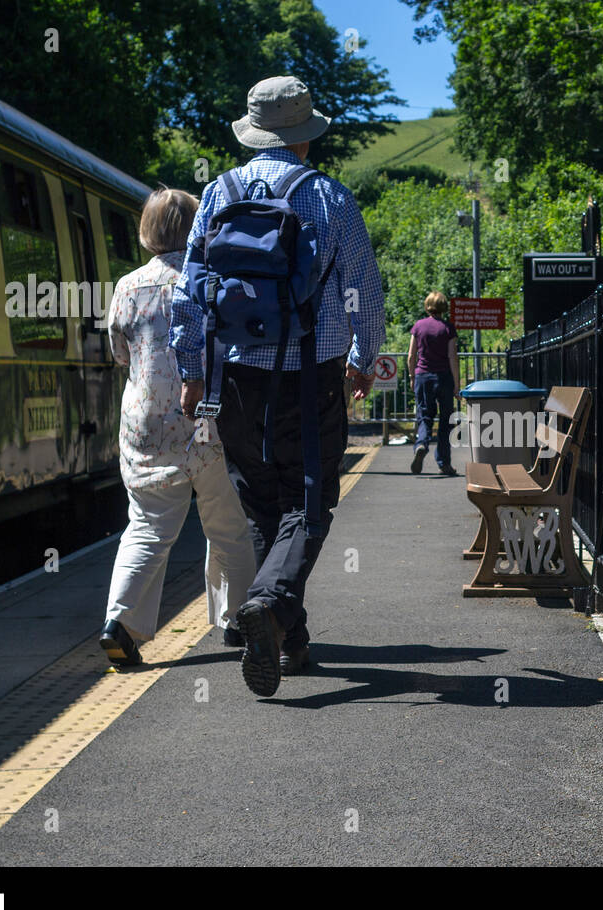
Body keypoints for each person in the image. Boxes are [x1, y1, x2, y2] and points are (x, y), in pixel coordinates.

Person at [171, 76, 385, 697]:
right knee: (309, 502)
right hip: (307, 377)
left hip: (236, 379)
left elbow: (189, 296)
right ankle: (269, 606)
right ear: (305, 140)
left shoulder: (217, 193)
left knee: (262, 501)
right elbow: (362, 291)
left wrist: (192, 372)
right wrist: (362, 358)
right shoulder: (331, 199)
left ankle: (291, 638)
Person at [100, 188, 259, 666]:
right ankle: (240, 621)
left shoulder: (127, 286)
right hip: (207, 420)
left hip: (145, 422)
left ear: (146, 230)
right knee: (229, 526)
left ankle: (119, 625)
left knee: (146, 526)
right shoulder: (210, 281)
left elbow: (120, 353)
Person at [407, 291, 461, 477]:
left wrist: (412, 377)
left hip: (423, 376)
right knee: (446, 421)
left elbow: (411, 356)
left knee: (424, 415)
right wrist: (456, 384)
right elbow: (452, 357)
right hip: (443, 377)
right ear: (444, 307)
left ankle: (422, 443)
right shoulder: (448, 328)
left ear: (427, 305)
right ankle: (444, 463)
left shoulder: (418, 327)